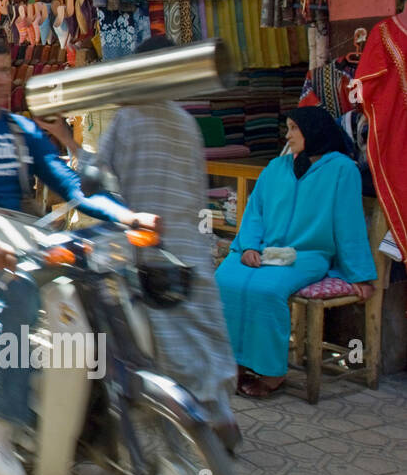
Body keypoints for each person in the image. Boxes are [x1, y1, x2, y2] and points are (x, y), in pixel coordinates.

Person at [0, 36, 158, 475]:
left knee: (95, 289)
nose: (3, 79)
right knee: (18, 292)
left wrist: (126, 215)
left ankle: (87, 413)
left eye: (6, 69)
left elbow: (74, 188)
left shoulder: (23, 132)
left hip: (21, 241)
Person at [40, 35, 240, 448]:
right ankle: (217, 411)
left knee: (160, 335)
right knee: (201, 327)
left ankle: (182, 420)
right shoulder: (185, 122)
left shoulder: (126, 122)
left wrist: (68, 141)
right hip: (190, 244)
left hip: (146, 246)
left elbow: (97, 183)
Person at [215, 107, 377, 398]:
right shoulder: (276, 168)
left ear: (313, 131)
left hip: (308, 255)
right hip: (266, 251)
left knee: (266, 289)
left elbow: (348, 223)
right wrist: (249, 246)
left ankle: (271, 373)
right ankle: (233, 363)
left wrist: (361, 274)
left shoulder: (342, 170)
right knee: (224, 279)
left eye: (293, 128)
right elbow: (255, 212)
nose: (287, 135)